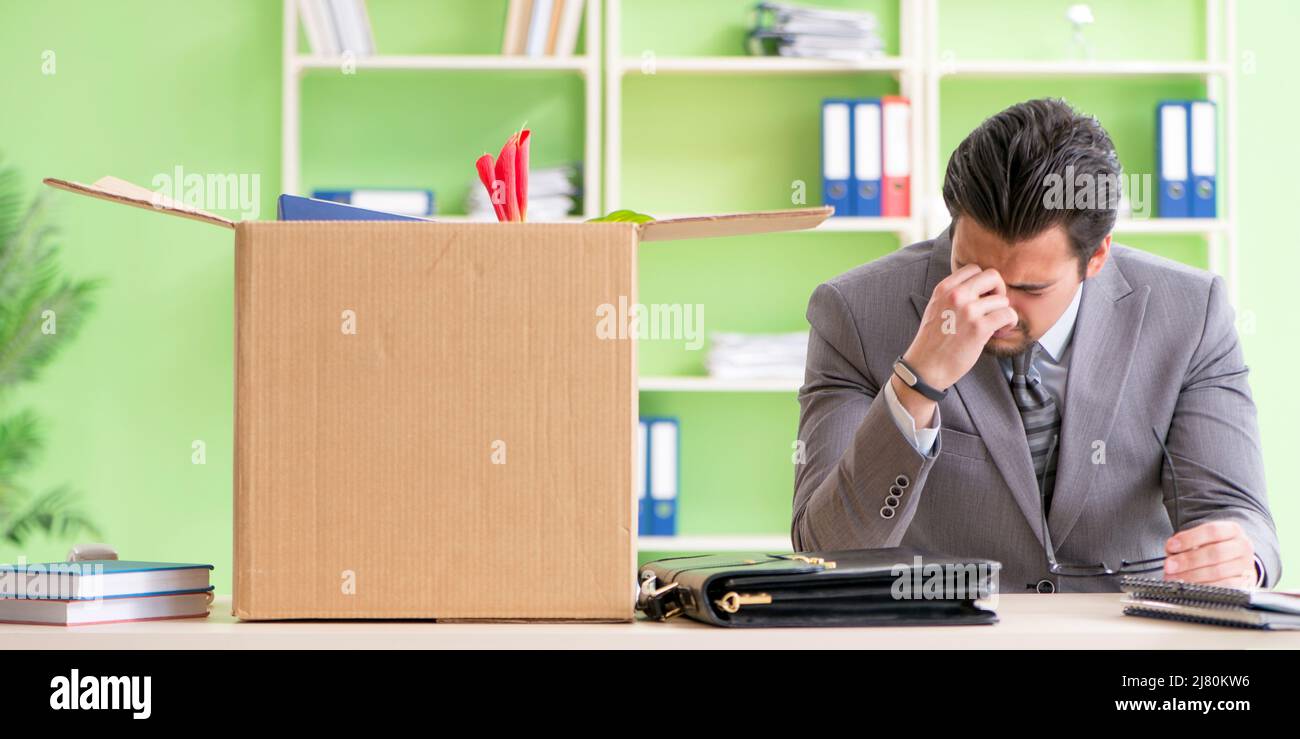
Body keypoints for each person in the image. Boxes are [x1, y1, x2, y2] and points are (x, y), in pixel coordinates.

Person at [792, 98, 1279, 593]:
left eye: (1030, 289)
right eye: (971, 271)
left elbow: (1235, 514)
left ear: (1097, 256)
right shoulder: (855, 312)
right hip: (944, 634)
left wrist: (1239, 558)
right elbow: (826, 550)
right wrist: (917, 384)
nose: (995, 306)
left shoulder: (1191, 313)